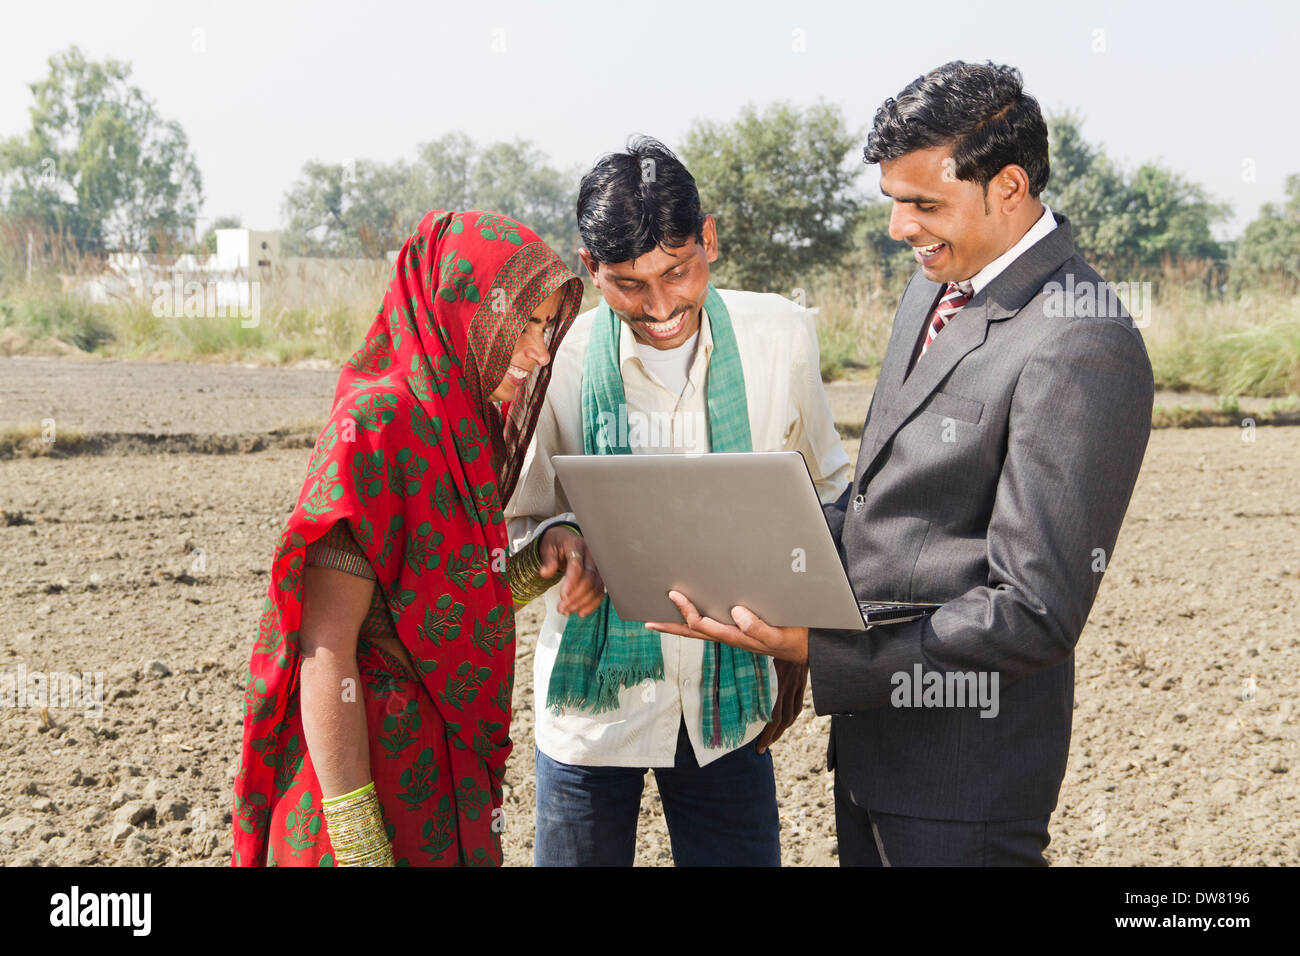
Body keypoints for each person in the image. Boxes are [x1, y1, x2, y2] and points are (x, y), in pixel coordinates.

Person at [647, 62, 1155, 866]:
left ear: (1010, 188)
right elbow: (885, 505)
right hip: (874, 760)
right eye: (893, 200)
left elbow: (1032, 612)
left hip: (965, 787)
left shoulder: (1080, 339)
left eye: (923, 203)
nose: (898, 226)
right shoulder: (932, 290)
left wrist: (824, 653)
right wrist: (744, 545)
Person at [504, 136, 850, 867]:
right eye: (629, 285)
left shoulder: (779, 336)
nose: (661, 306)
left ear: (710, 240)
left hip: (730, 704)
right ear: (590, 269)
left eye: (678, 271)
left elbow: (830, 496)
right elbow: (517, 525)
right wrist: (559, 545)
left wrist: (800, 633)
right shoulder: (555, 357)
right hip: (593, 711)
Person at [231, 209, 594, 867]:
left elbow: (432, 603)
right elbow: (326, 646)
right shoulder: (377, 425)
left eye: (547, 328)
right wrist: (360, 840)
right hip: (369, 783)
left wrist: (531, 568)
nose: (540, 351)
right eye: (524, 326)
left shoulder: (467, 427)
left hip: (438, 783)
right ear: (462, 312)